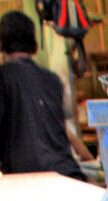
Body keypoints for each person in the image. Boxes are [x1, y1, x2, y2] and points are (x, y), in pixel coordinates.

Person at [0, 10, 87, 178]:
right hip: (67, 176)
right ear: (33, 42)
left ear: (3, 44)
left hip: (32, 182)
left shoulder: (3, 77)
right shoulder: (52, 79)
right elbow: (64, 118)